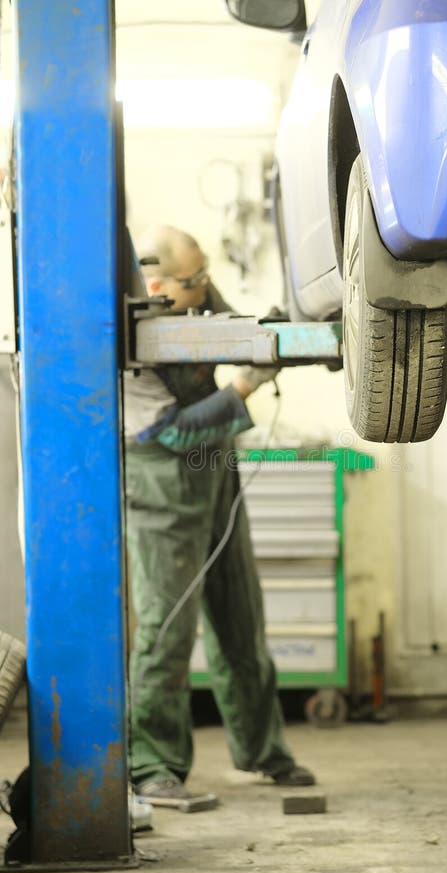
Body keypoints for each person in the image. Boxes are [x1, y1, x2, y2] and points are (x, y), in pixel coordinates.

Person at [124, 224, 315, 804]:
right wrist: (247, 384)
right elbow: (174, 431)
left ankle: (263, 751)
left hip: (214, 470)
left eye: (206, 274)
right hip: (161, 481)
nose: (206, 287)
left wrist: (276, 334)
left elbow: (234, 330)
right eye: (195, 280)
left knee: (241, 617)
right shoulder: (121, 338)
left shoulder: (196, 290)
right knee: (166, 628)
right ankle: (152, 764)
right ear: (156, 287)